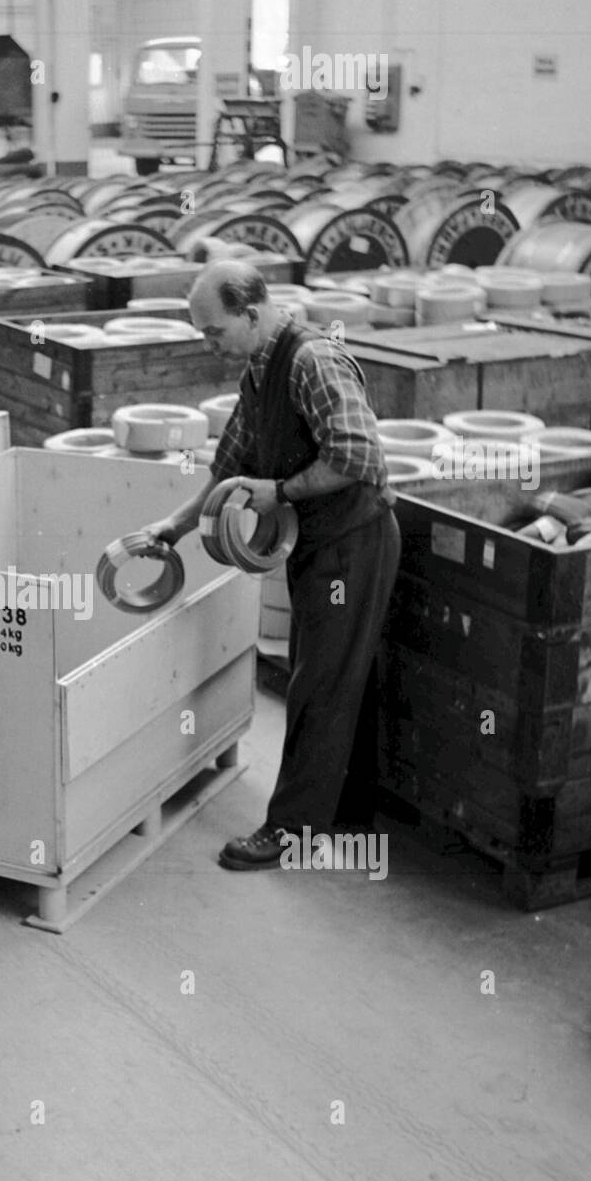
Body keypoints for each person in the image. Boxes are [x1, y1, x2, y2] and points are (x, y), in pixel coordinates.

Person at [142, 260, 400, 869]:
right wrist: (173, 529)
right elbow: (228, 466)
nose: (211, 346)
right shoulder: (259, 370)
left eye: (214, 332)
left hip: (354, 540)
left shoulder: (312, 361)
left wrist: (279, 493)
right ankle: (344, 814)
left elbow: (359, 455)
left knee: (318, 686)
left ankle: (291, 833)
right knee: (332, 676)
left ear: (252, 314)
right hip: (322, 541)